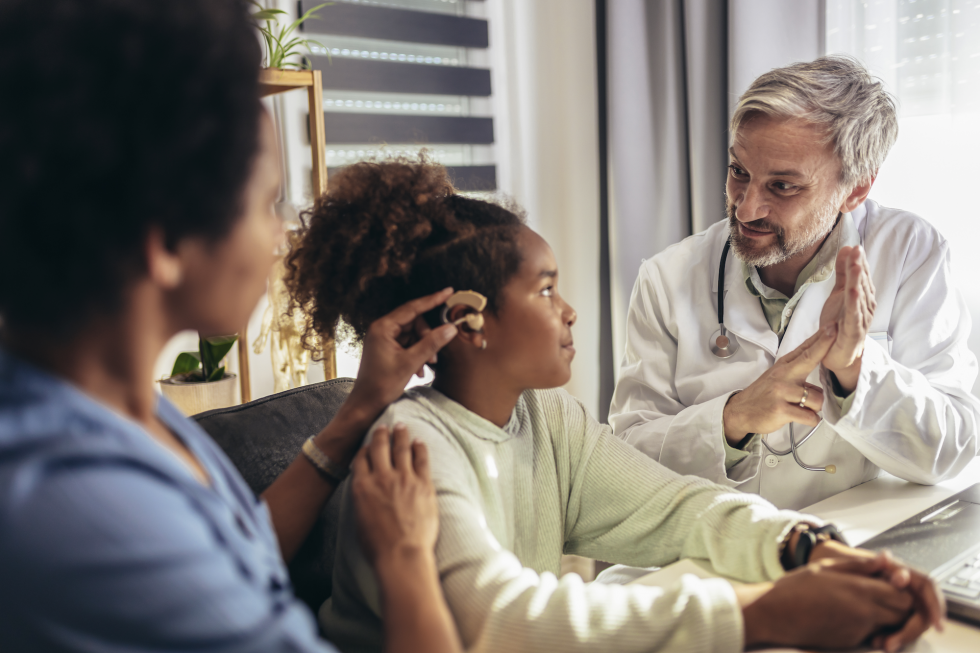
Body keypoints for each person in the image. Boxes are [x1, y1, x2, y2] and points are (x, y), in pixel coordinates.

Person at [285, 158, 944, 653]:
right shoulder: (409, 445)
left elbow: (680, 509)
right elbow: (496, 616)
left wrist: (806, 546)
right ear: (469, 318)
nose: (569, 311)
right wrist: (762, 611)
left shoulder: (548, 419)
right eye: (545, 291)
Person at [0, 2, 461, 652]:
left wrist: (357, 411)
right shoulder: (80, 507)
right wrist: (407, 556)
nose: (280, 237)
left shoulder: (122, 405)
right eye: (267, 203)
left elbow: (232, 558)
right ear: (166, 238)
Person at [609, 55, 980, 510]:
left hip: (852, 544)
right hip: (716, 552)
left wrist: (854, 370)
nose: (744, 210)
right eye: (738, 172)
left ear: (856, 189)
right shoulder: (666, 278)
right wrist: (732, 419)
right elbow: (622, 460)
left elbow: (953, 449)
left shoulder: (909, 253)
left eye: (782, 187)